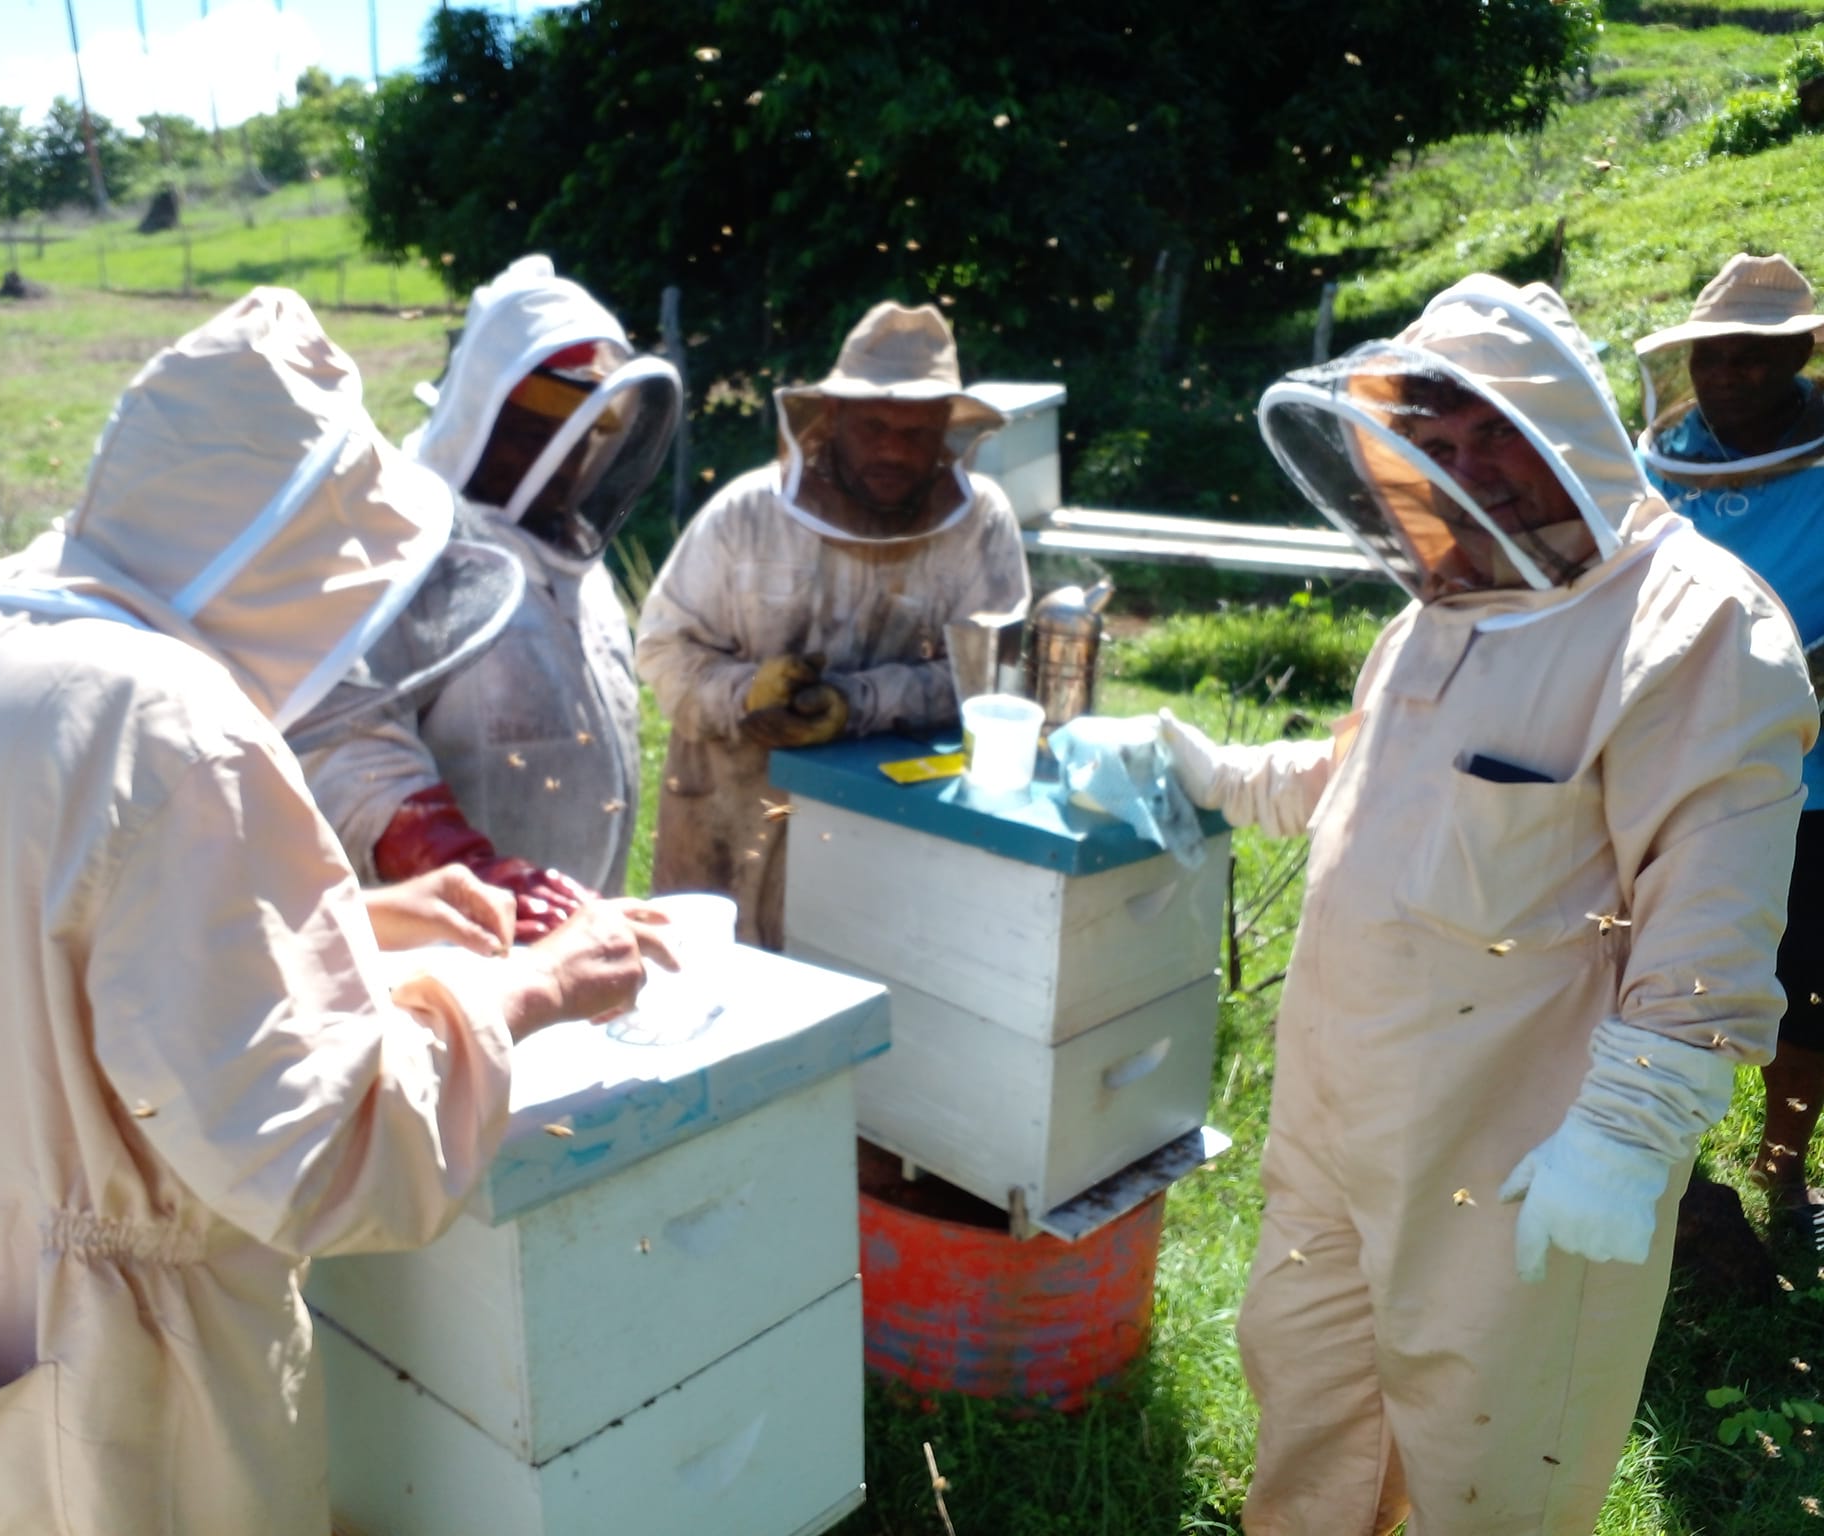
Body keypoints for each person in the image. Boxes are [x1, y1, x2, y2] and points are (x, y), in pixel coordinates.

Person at [0, 289, 673, 1535]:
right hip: (113, 1354)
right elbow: (319, 1152)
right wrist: (533, 987)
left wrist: (360, 919)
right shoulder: (174, 728)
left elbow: (71, 945)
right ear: (283, 539)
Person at [1161, 275, 1815, 1535]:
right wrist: (1210, 772)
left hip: (1511, 1160)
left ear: (1567, 427)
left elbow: (1710, 918)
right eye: (1436, 444)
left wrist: (1623, 1137)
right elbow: (1356, 777)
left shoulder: (1698, 625)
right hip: (1331, 1121)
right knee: (1305, 1404)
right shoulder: (1443, 600)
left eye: (1496, 434)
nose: (1469, 473)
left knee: (1493, 1470)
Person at [297, 255, 681, 940]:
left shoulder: (580, 567)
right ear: (479, 420)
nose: (567, 460)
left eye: (587, 436)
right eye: (537, 435)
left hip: (586, 938)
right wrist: (473, 870)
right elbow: (340, 748)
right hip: (441, 956)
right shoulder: (396, 553)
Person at [635, 300, 1029, 948]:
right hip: (729, 821)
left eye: (916, 433)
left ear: (945, 432)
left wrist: (859, 703)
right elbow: (662, 651)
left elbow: (990, 683)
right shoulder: (745, 515)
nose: (893, 449)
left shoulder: (979, 525)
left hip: (895, 839)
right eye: (874, 426)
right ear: (834, 417)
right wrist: (746, 695)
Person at [1635, 251, 1824, 1251]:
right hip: (1669, 770)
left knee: (1809, 984)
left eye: (1750, 356)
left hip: (1812, 776)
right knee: (1652, 965)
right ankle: (1656, 1161)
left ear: (1799, 355)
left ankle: (1781, 1179)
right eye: (1710, 356)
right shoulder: (1660, 462)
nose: (1725, 375)